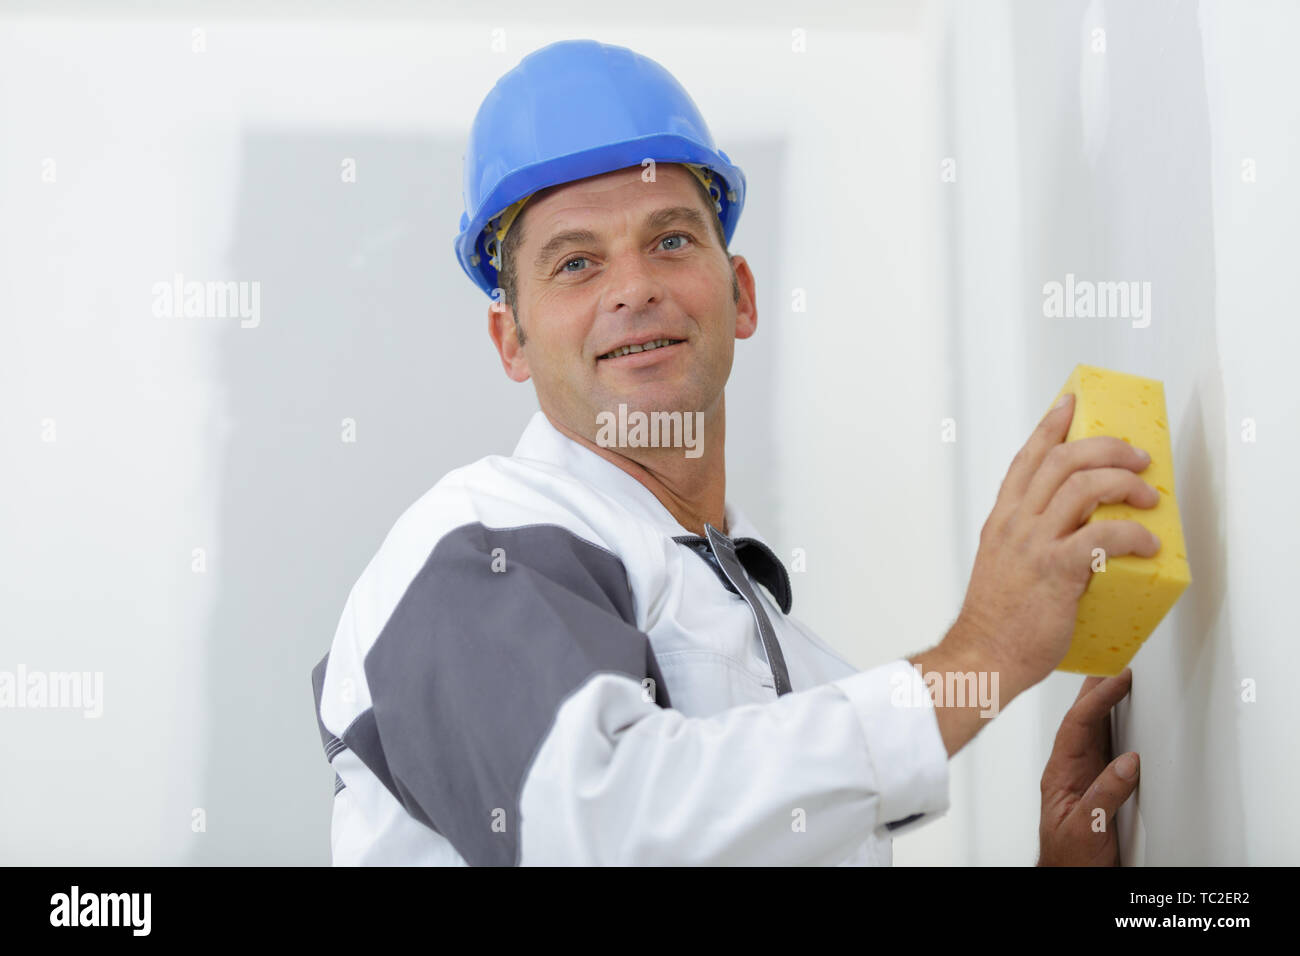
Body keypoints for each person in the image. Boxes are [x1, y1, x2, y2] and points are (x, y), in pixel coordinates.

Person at [310, 38, 1160, 866]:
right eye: (575, 263)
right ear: (512, 342)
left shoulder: (806, 672)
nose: (634, 287)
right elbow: (598, 833)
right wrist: (983, 653)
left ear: (740, 294)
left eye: (672, 240)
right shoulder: (470, 544)